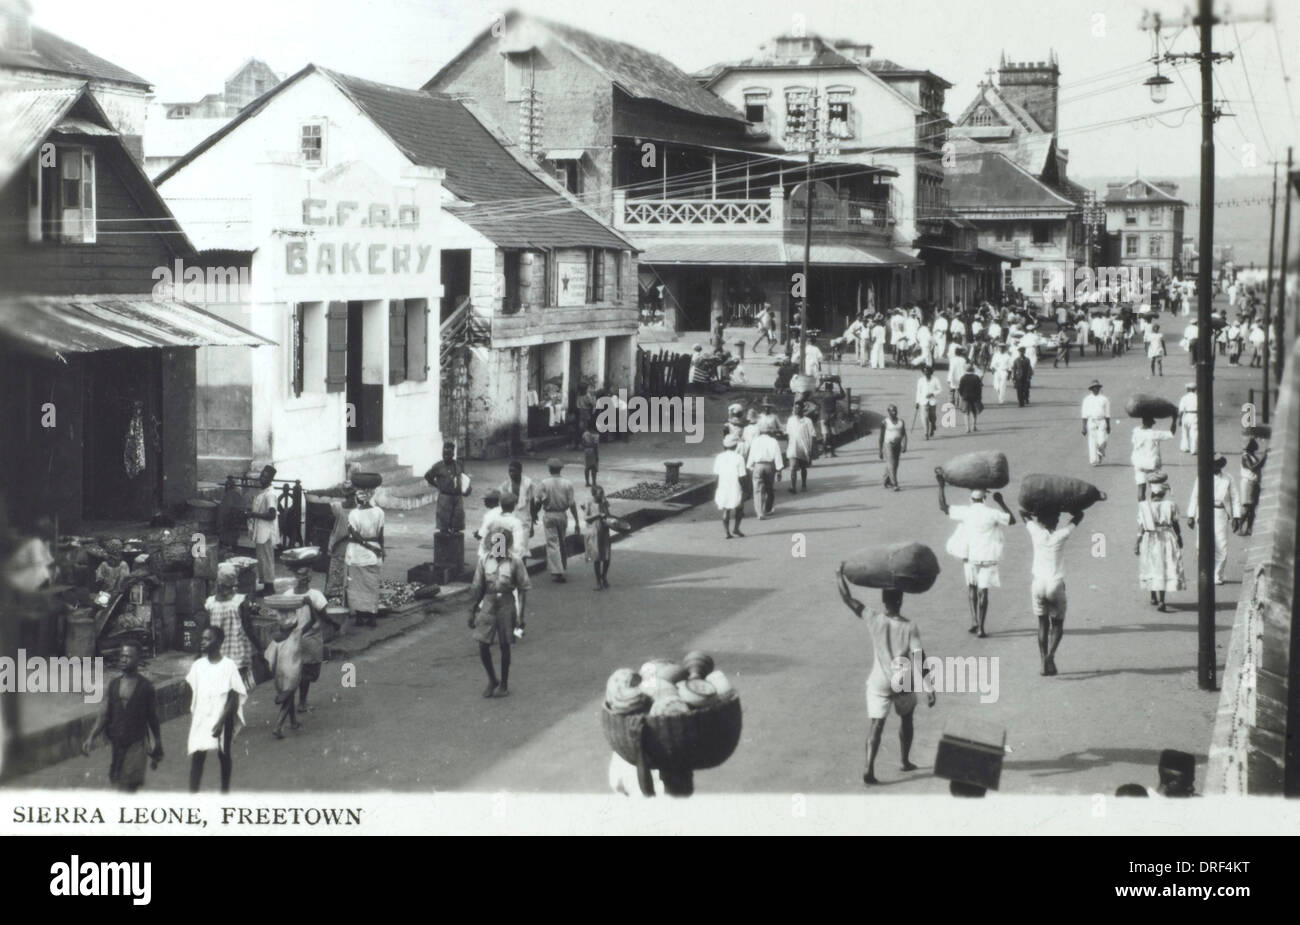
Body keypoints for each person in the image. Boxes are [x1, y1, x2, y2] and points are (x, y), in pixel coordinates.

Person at [836, 573, 935, 786]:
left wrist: (839, 575)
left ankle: (868, 768)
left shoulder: (873, 618)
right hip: (902, 681)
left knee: (876, 725)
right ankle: (905, 760)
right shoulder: (910, 626)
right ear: (901, 601)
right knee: (906, 718)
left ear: (884, 601)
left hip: (879, 680)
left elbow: (847, 598)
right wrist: (929, 686)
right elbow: (919, 656)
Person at [936, 472, 1014, 637]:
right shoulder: (992, 512)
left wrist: (941, 485)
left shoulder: (966, 511)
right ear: (985, 498)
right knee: (983, 591)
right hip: (988, 557)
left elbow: (943, 506)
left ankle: (974, 620)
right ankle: (981, 627)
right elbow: (1011, 520)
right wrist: (1001, 502)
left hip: (970, 556)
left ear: (971, 499)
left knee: (971, 586)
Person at [82, 641, 163, 791]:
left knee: (128, 786)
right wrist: (91, 737)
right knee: (117, 783)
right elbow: (104, 714)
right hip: (117, 744)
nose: (124, 659)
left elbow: (153, 718)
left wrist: (157, 742)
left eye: (129, 656)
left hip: (137, 744)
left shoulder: (146, 687)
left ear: (138, 659)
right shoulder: (113, 685)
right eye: (122, 656)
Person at [467, 528, 529, 697]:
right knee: (482, 644)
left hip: (507, 603)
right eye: (494, 543)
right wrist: (471, 611)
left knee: (504, 645)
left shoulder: (515, 562)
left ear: (506, 544)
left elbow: (523, 589)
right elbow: (477, 587)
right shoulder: (484, 560)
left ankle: (504, 683)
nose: (497, 547)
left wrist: (520, 615)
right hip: (488, 602)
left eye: (500, 543)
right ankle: (492, 679)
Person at [186, 625, 248, 793]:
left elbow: (233, 698)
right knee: (198, 755)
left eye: (208, 639)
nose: (203, 642)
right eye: (203, 638)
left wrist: (220, 722)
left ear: (219, 642)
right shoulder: (198, 665)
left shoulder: (228, 666)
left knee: (224, 754)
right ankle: (193, 796)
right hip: (202, 717)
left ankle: (224, 792)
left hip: (222, 718)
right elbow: (194, 690)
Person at [1022, 509, 1082, 676]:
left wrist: (1033, 511)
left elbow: (1023, 514)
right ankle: (1051, 655)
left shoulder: (1036, 533)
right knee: (1057, 624)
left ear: (1040, 521)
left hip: (1038, 583)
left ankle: (1043, 661)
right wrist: (1071, 508)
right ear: (1055, 522)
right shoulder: (1061, 535)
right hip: (1056, 584)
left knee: (1042, 623)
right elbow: (1079, 516)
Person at [1188, 456, 1241, 585]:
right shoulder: (1202, 477)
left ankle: (1217, 574)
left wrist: (1236, 517)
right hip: (1204, 512)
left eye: (1217, 464)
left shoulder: (1228, 478)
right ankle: (1204, 572)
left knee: (1221, 545)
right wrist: (1191, 515)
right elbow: (1195, 496)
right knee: (1201, 543)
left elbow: (1235, 498)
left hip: (1221, 513)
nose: (1215, 467)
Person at [1135, 478, 1185, 611]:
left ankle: (1153, 596)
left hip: (1150, 538)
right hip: (1166, 537)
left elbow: (1141, 527)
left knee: (1151, 564)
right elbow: (1175, 523)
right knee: (1163, 566)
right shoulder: (1170, 505)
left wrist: (1137, 542)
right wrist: (1179, 537)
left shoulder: (1144, 506)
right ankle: (1162, 600)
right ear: (1163, 493)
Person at [204, 565, 256, 689]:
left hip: (217, 653)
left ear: (218, 581)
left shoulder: (210, 603)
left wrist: (201, 652)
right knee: (237, 689)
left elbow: (206, 628)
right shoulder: (240, 601)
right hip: (238, 653)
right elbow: (248, 629)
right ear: (234, 582)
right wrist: (258, 648)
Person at [345, 485, 385, 628]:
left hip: (357, 553)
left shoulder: (353, 514)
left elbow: (355, 536)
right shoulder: (379, 512)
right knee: (372, 584)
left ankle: (360, 617)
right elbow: (381, 534)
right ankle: (372, 616)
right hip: (374, 553)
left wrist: (368, 546)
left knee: (356, 585)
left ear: (357, 498)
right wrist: (380, 549)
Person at [289, 565, 326, 712]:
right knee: (308, 673)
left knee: (296, 671)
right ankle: (302, 702)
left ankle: (295, 704)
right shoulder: (316, 595)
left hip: (292, 638)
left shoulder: (286, 595)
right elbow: (323, 616)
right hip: (309, 639)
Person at [264, 604, 303, 740]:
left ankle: (293, 721)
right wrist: (309, 605)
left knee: (288, 695)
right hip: (292, 671)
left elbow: (269, 657)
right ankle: (277, 726)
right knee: (289, 697)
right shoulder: (297, 634)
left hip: (279, 673)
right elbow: (312, 622)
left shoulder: (275, 639)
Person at [538, 458, 579, 582]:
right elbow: (572, 504)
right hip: (562, 515)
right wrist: (577, 520)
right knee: (561, 541)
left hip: (550, 515)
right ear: (560, 469)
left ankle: (557, 571)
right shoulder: (568, 483)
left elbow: (538, 501)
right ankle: (562, 566)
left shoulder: (544, 483)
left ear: (549, 469)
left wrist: (534, 514)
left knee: (552, 543)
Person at [247, 464, 280, 595]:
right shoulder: (264, 492)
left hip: (266, 533)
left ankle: (270, 587)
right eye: (262, 475)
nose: (262, 478)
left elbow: (272, 515)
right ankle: (266, 586)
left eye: (266, 477)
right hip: (261, 531)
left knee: (266, 559)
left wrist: (252, 514)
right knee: (262, 559)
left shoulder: (270, 494)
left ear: (271, 479)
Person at [425, 442, 469, 535]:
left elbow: (463, 478)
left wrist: (467, 488)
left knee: (457, 523)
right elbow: (428, 476)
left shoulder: (458, 465)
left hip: (457, 498)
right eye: (444, 454)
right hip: (445, 498)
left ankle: (455, 546)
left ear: (453, 454)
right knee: (444, 525)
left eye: (448, 454)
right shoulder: (438, 466)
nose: (446, 456)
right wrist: (438, 485)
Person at [498, 460, 539, 558]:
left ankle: (522, 571)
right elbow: (501, 505)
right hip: (510, 522)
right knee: (511, 549)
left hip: (525, 522)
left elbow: (534, 504)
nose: (511, 473)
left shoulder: (529, 485)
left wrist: (532, 525)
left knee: (523, 550)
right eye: (510, 471)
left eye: (513, 471)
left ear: (520, 471)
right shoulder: (506, 485)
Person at [745, 424, 785, 518]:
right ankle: (767, 508)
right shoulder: (773, 441)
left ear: (760, 432)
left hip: (758, 465)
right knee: (769, 488)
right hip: (770, 466)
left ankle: (760, 513)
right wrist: (779, 470)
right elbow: (777, 456)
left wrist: (750, 466)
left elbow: (751, 455)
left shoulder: (756, 441)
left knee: (758, 490)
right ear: (769, 432)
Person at [1131, 415, 1175, 501]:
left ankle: (1143, 511)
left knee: (1141, 488)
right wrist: (1174, 419)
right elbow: (1171, 433)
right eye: (1152, 422)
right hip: (1151, 465)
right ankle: (1155, 508)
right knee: (1156, 491)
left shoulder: (1136, 431)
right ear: (1149, 422)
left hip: (1138, 464)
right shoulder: (1153, 434)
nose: (1153, 423)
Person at [713, 433, 747, 538]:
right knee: (739, 507)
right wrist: (745, 489)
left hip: (723, 485)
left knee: (726, 509)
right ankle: (736, 528)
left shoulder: (719, 457)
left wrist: (716, 488)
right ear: (736, 446)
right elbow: (742, 476)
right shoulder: (739, 458)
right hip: (735, 485)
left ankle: (727, 532)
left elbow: (716, 475)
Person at [325, 487, 356, 599]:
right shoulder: (336, 507)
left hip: (353, 543)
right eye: (350, 496)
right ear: (346, 496)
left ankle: (348, 596)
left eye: (354, 496)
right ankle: (332, 596)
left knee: (351, 571)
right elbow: (331, 524)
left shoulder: (358, 509)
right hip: (339, 543)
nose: (352, 498)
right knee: (336, 571)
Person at [785, 402, 816, 494]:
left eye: (798, 408)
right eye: (795, 408)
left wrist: (811, 449)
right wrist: (787, 447)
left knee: (803, 467)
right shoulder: (790, 420)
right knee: (793, 467)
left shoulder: (807, 421)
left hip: (804, 447)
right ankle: (793, 487)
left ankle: (803, 484)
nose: (796, 410)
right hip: (793, 447)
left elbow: (813, 435)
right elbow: (788, 434)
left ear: (803, 409)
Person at [1238, 439, 1267, 536]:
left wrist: (1264, 458)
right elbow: (1252, 467)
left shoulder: (1252, 455)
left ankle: (1249, 528)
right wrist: (1264, 457)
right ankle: (1239, 526)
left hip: (1254, 483)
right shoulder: (1245, 456)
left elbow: (1259, 466)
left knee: (1252, 508)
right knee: (1246, 508)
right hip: (1248, 483)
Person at [1080, 380, 1111, 466]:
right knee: (1092, 441)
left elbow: (1107, 413)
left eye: (1097, 388)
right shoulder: (1087, 399)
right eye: (1094, 388)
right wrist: (1084, 426)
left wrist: (1108, 425)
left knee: (1102, 439)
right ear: (1091, 389)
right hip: (1091, 421)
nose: (1096, 389)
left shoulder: (1104, 399)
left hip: (1102, 421)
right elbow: (1084, 414)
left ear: (1099, 388)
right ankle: (1093, 460)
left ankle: (1100, 451)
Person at [878, 404, 908, 491]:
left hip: (897, 445)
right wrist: (880, 450)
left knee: (895, 464)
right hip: (888, 445)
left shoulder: (901, 422)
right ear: (888, 412)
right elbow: (881, 437)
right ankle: (894, 484)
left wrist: (904, 445)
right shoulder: (885, 422)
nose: (894, 412)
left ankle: (885, 480)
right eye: (892, 411)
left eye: (895, 410)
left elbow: (904, 434)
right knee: (892, 464)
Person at [915, 366, 942, 439]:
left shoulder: (935, 379)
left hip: (932, 401)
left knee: (932, 416)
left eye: (928, 372)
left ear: (931, 372)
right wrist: (917, 402)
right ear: (923, 372)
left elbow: (940, 389)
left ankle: (933, 425)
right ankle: (926, 433)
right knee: (925, 417)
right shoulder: (920, 380)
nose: (926, 373)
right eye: (925, 372)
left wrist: (933, 393)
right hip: (923, 401)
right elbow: (918, 391)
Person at [957, 364, 983, 434]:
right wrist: (979, 397)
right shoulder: (976, 377)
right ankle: (974, 426)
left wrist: (962, 395)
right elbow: (979, 388)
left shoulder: (963, 378)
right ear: (973, 370)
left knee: (966, 413)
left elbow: (960, 388)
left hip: (965, 397)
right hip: (974, 397)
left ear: (966, 370)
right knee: (974, 412)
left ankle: (967, 428)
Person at [1177, 382, 1198, 455]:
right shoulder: (1198, 397)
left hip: (1186, 415)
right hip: (1195, 415)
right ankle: (1194, 449)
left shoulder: (1184, 397)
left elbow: (1181, 410)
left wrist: (1179, 419)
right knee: (1194, 432)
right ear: (1195, 389)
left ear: (1188, 389)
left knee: (1184, 432)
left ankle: (1185, 447)